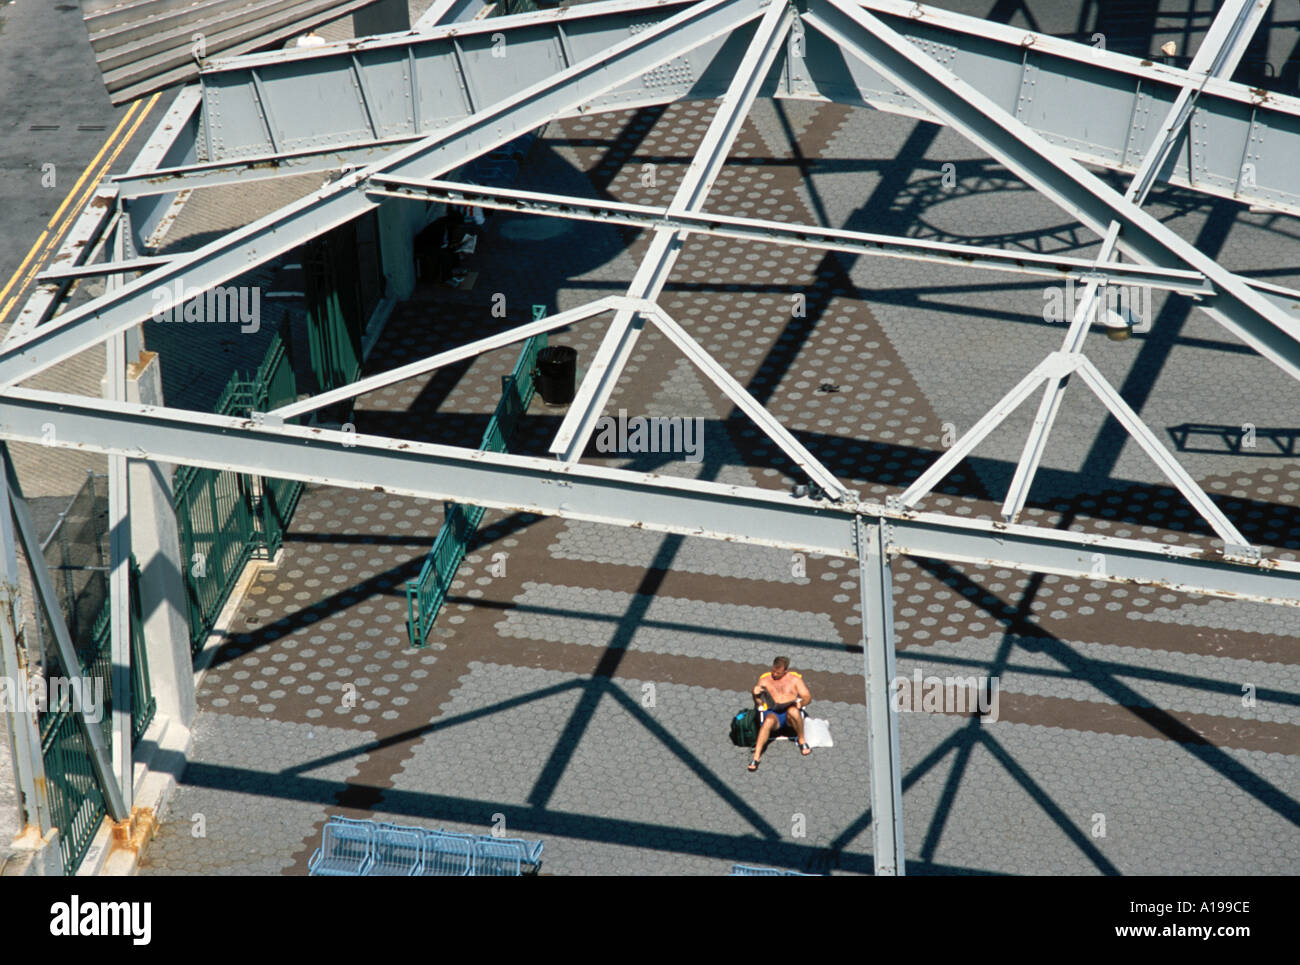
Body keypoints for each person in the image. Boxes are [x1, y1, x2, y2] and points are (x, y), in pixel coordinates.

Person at [748, 656, 811, 771]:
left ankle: (802, 740)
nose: (775, 674)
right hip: (773, 713)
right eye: (773, 671)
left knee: (794, 711)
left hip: (789, 712)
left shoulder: (794, 680)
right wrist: (754, 694)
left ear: (785, 671)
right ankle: (756, 757)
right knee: (768, 721)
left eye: (778, 672)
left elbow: (807, 697)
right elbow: (759, 704)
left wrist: (799, 704)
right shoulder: (765, 680)